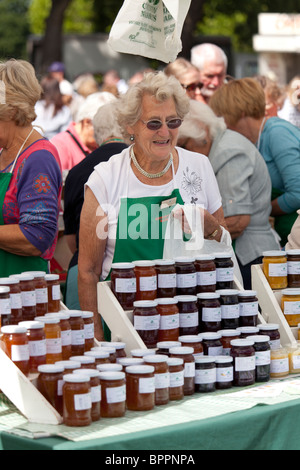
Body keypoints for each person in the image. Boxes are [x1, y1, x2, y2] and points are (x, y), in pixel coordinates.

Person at [78, 71, 229, 340]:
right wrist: (97, 342)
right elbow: (88, 271)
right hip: (125, 329)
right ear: (130, 126)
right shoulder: (106, 179)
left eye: (173, 122)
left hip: (190, 326)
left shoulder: (198, 167)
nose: (165, 132)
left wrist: (210, 226)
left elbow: (223, 246)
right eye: (153, 124)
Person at [177, 100, 280, 289]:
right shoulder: (222, 145)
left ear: (202, 132)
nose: (182, 153)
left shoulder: (228, 151)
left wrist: (190, 239)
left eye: (183, 144)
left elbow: (237, 221)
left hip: (249, 256)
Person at [210, 77, 300, 247]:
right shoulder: (255, 140)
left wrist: (262, 210)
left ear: (240, 112)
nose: (222, 124)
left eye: (223, 116)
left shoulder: (276, 132)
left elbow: (298, 192)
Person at [0, 59, 62, 277]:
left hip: (22, 291)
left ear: (9, 111)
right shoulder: (3, 151)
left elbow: (37, 236)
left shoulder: (38, 158)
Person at [63, 100, 128, 309]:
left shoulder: (76, 171)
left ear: (98, 133)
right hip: (130, 270)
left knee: (84, 339)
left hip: (81, 271)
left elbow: (72, 240)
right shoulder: (140, 166)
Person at [50, 91, 116, 173]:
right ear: (87, 123)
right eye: (105, 128)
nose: (109, 135)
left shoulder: (98, 146)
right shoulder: (60, 146)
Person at [33, 75, 72, 140]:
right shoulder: (64, 110)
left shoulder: (35, 107)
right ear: (58, 89)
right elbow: (67, 132)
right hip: (57, 145)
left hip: (36, 143)